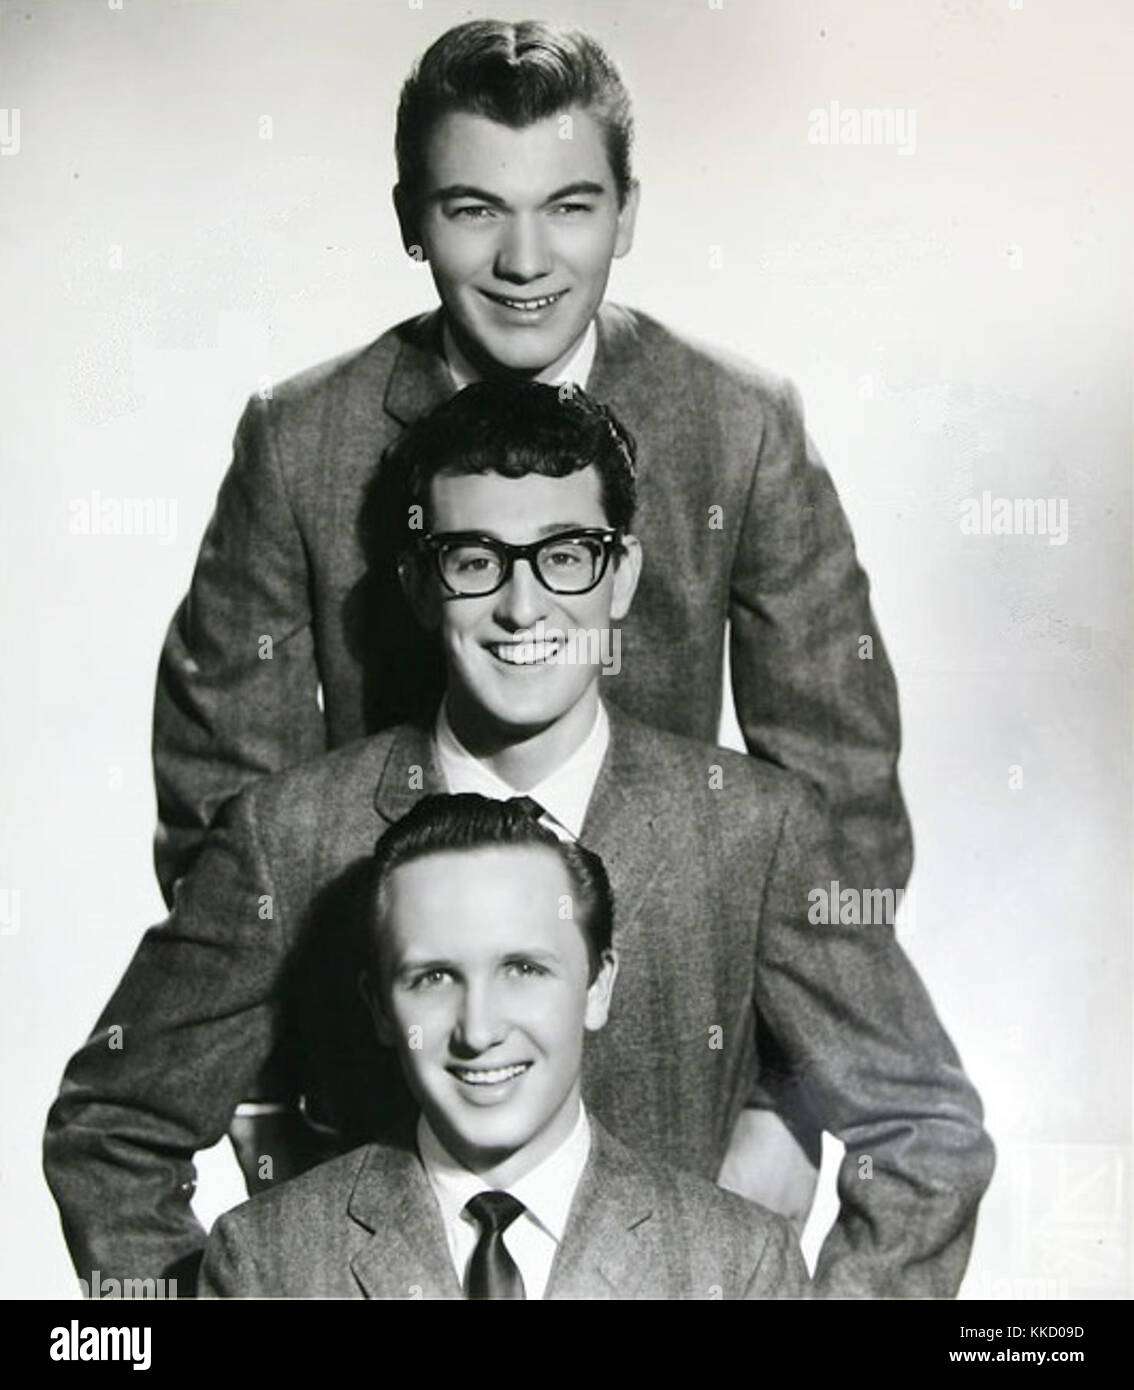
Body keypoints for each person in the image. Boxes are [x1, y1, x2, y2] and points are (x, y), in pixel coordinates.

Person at [45, 381, 993, 1299]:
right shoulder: (291, 834)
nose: (524, 607)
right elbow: (112, 1124)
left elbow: (926, 1128)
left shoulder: (753, 829)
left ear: (622, 575)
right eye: (475, 560)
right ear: (421, 585)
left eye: (567, 555)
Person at [154, 17, 911, 910]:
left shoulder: (739, 425)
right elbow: (226, 816)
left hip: (668, 979)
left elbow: (842, 808)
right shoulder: (299, 441)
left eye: (568, 206)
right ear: (409, 219)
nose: (524, 262)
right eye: (475, 209)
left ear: (626, 213)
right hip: (385, 995)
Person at [199, 795, 810, 1300]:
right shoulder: (264, 1263)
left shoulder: (741, 1266)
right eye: (434, 977)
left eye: (522, 969)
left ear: (598, 987)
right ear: (381, 1007)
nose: (480, 1029)